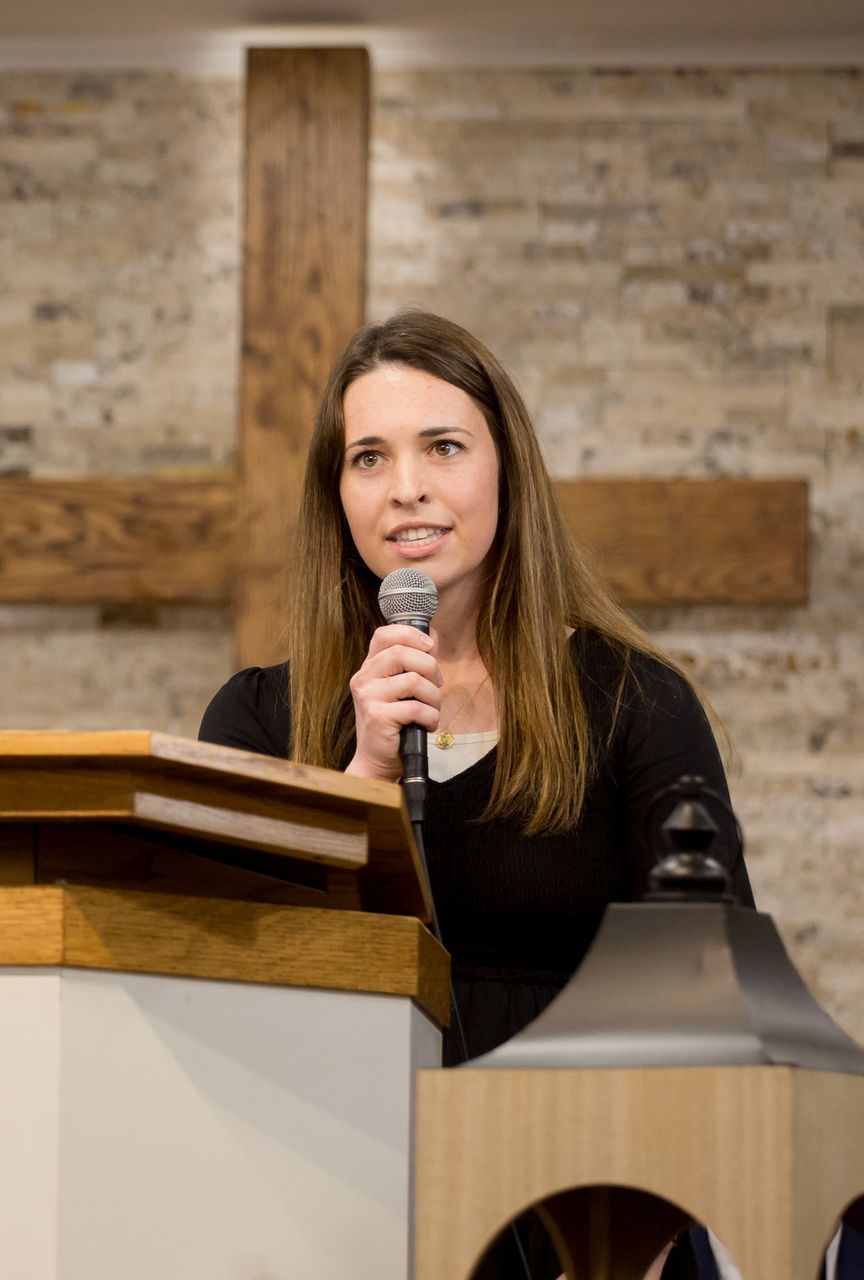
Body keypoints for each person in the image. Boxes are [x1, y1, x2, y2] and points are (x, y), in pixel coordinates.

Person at [198, 310, 753, 1280]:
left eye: (443, 447)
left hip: (585, 1210)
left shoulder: (634, 702)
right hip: (331, 1198)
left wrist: (643, 1212)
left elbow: (711, 979)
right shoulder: (259, 717)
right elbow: (226, 979)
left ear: (506, 470)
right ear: (337, 495)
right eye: (368, 457)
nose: (406, 485)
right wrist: (362, 776)